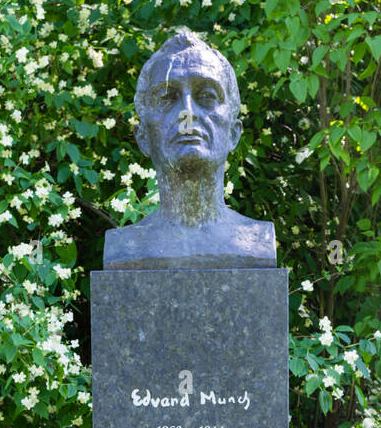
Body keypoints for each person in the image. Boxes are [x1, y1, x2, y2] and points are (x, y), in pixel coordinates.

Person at [104, 28, 276, 270]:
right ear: (142, 138)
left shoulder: (257, 242)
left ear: (234, 134)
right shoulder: (125, 248)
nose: (188, 113)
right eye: (167, 97)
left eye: (206, 95)